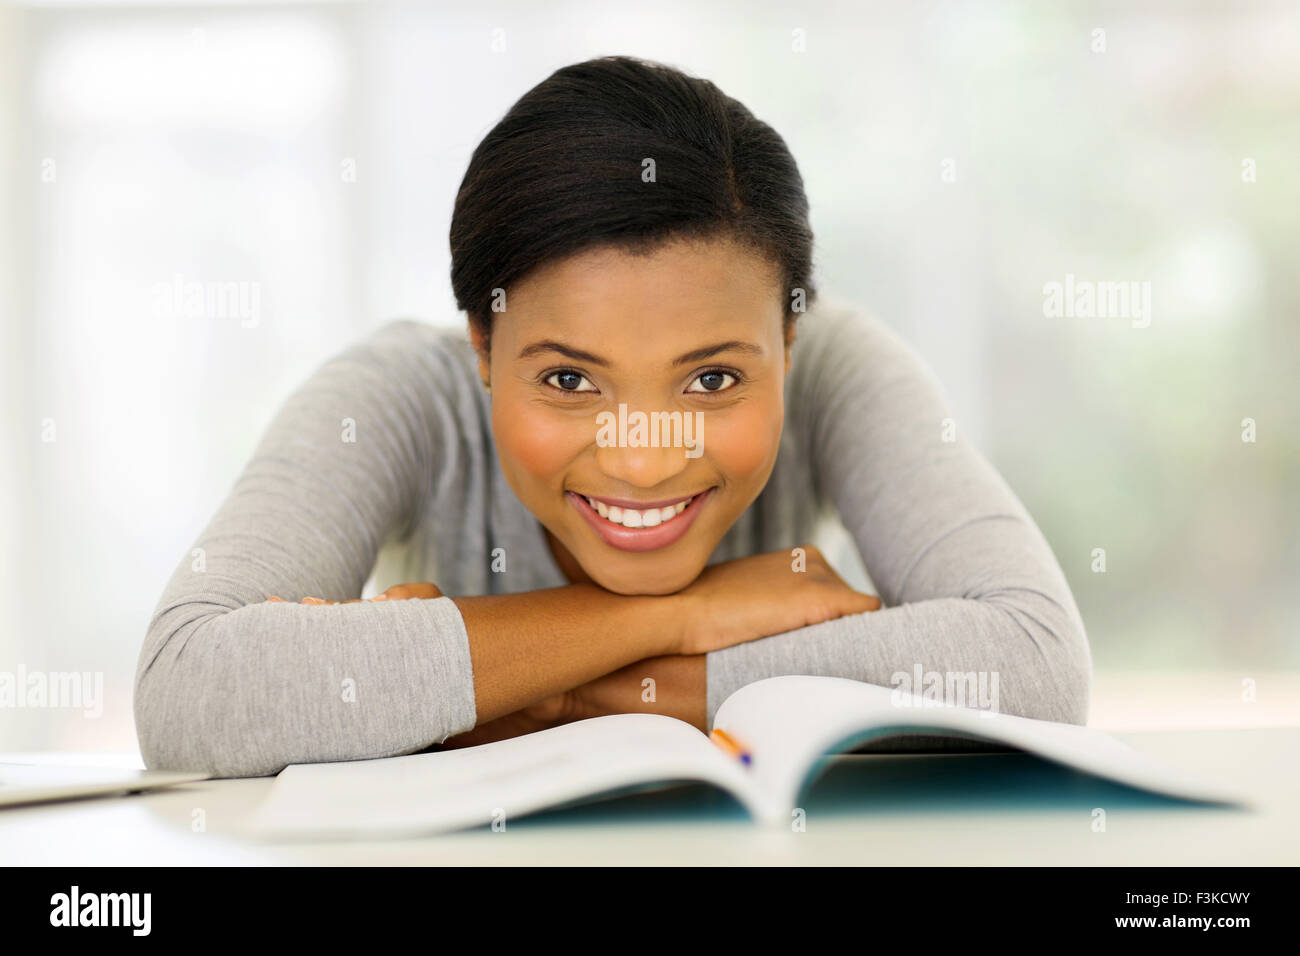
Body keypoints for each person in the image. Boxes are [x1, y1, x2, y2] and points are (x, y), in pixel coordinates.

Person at [134, 55, 1091, 777]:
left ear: (790, 342)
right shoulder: (397, 397)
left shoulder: (837, 366)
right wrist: (690, 615)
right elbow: (190, 687)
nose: (642, 463)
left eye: (712, 382)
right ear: (483, 344)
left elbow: (1036, 667)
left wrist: (522, 696)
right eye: (570, 382)